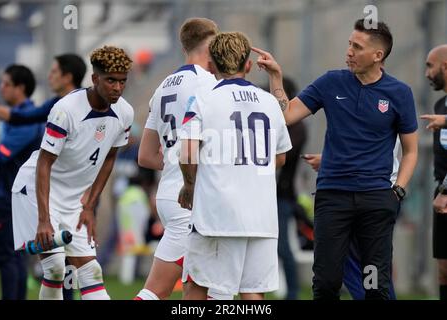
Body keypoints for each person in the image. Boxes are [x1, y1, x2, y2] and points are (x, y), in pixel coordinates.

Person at [254, 18, 418, 299]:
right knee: (327, 282)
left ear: (378, 55)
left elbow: (411, 150)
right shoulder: (331, 82)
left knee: (375, 286)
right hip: (333, 197)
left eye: (357, 46)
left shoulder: (399, 93)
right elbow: (286, 115)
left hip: (377, 199)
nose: (349, 52)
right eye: (349, 44)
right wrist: (276, 78)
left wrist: (397, 192)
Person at [11, 45, 134, 300]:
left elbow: (110, 156)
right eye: (111, 80)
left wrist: (89, 205)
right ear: (95, 78)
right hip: (36, 190)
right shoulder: (66, 109)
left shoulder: (125, 112)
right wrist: (44, 220)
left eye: (122, 82)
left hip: (73, 200)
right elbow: (44, 163)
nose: (117, 88)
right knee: (56, 268)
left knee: (91, 272)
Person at [178, 31, 292, 300]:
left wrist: (189, 186)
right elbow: (281, 157)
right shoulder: (269, 103)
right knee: (252, 293)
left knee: (198, 287)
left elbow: (187, 152)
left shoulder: (202, 98)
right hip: (262, 217)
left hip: (217, 215)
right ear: (249, 65)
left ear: (212, 65)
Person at [135, 17, 229, 300]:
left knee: (201, 289)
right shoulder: (210, 85)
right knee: (156, 292)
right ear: (211, 45)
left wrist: (178, 161)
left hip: (170, 194)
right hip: (192, 199)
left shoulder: (163, 86)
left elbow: (146, 156)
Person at [302, 140, 401, 300]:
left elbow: (367, 144)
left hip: (370, 193)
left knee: (372, 276)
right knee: (365, 273)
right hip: (362, 191)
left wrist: (330, 161)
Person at [0, 65, 44, 300]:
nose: (1, 87)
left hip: (11, 196)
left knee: (8, 257)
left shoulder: (27, 119)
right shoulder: (18, 116)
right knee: (12, 256)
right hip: (12, 194)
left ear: (20, 88)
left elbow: (1, 155)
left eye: (6, 83)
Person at [274, 77, 306, 300]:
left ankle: (292, 293)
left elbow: (285, 155)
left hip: (282, 196)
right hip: (268, 194)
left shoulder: (297, 126)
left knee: (283, 247)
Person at [420, 44, 447, 300]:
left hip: (445, 193)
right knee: (443, 269)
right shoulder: (441, 104)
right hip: (442, 194)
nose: (427, 73)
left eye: (430, 65)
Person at [0, 54, 86, 125]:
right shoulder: (55, 103)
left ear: (67, 77)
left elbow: (23, 117)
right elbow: (23, 116)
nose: (49, 76)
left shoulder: (86, 105)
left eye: (54, 72)